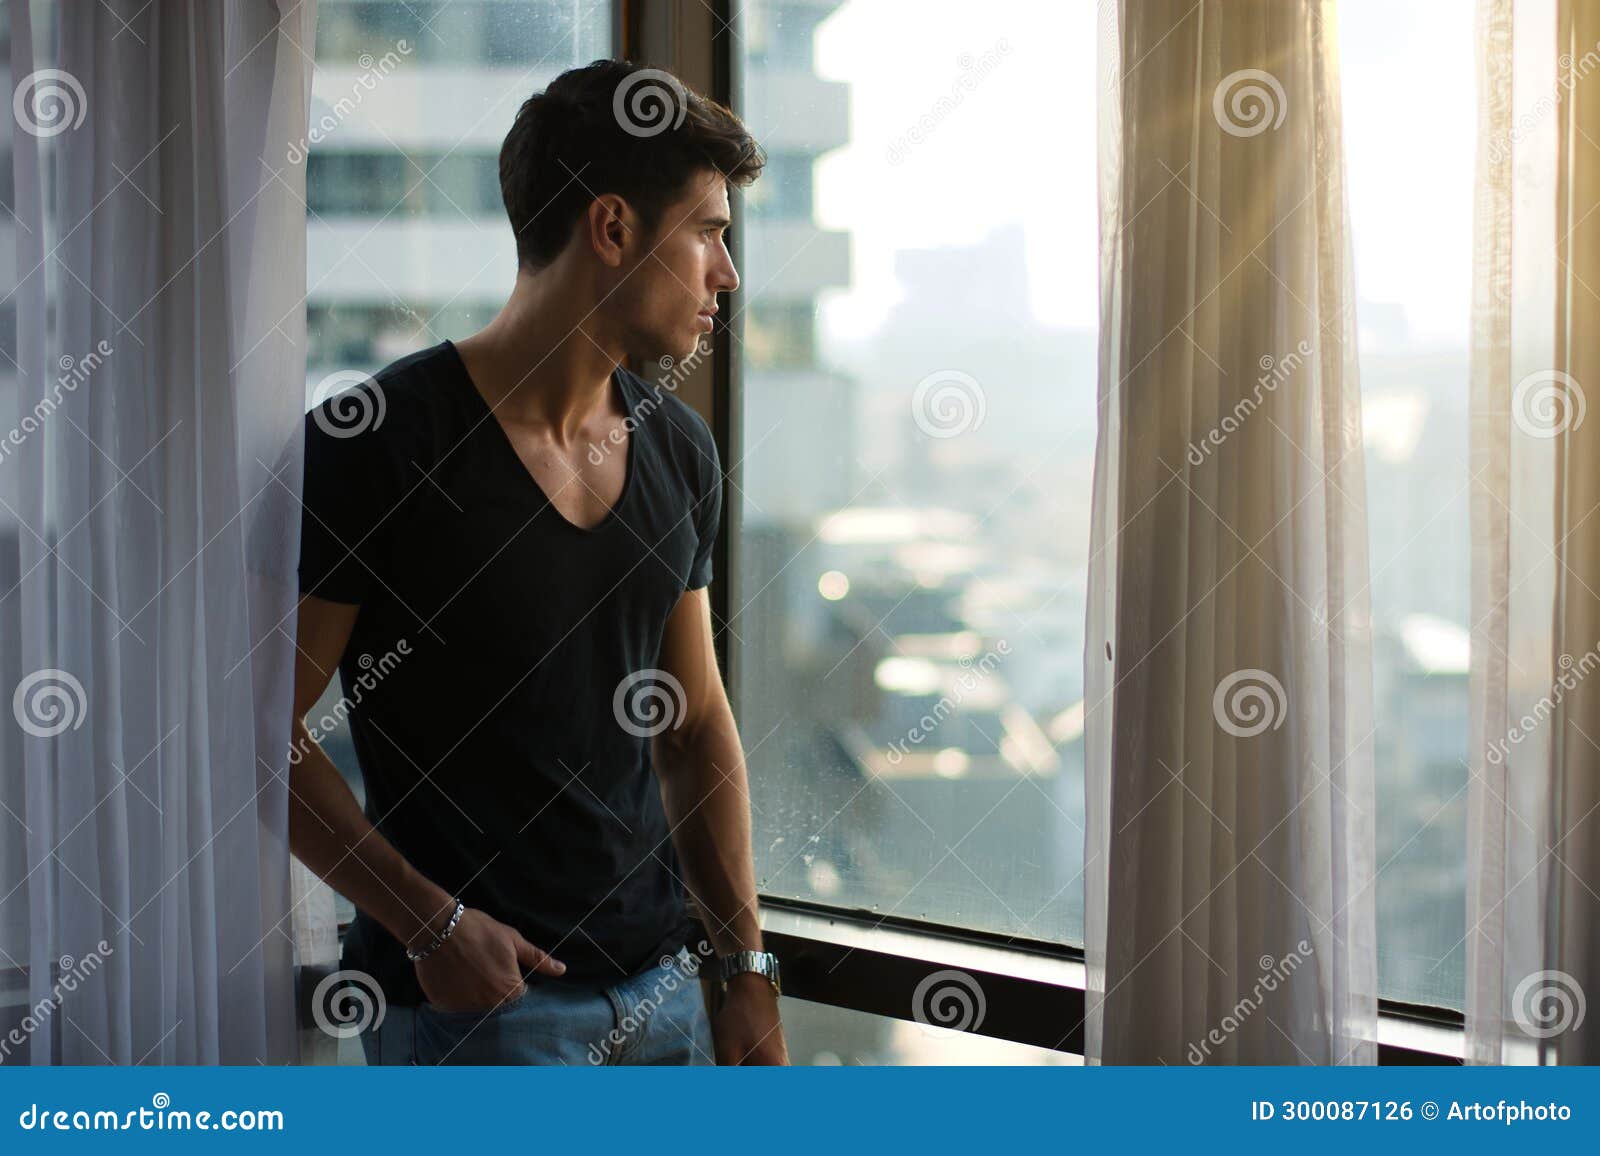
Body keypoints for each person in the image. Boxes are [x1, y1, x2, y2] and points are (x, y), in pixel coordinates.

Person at [288, 59, 787, 1066]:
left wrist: (744, 971)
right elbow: (251, 731)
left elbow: (691, 729)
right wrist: (428, 923)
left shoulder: (679, 447)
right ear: (611, 230)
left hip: (664, 1000)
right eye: (708, 232)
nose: (725, 274)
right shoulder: (378, 441)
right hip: (476, 1018)